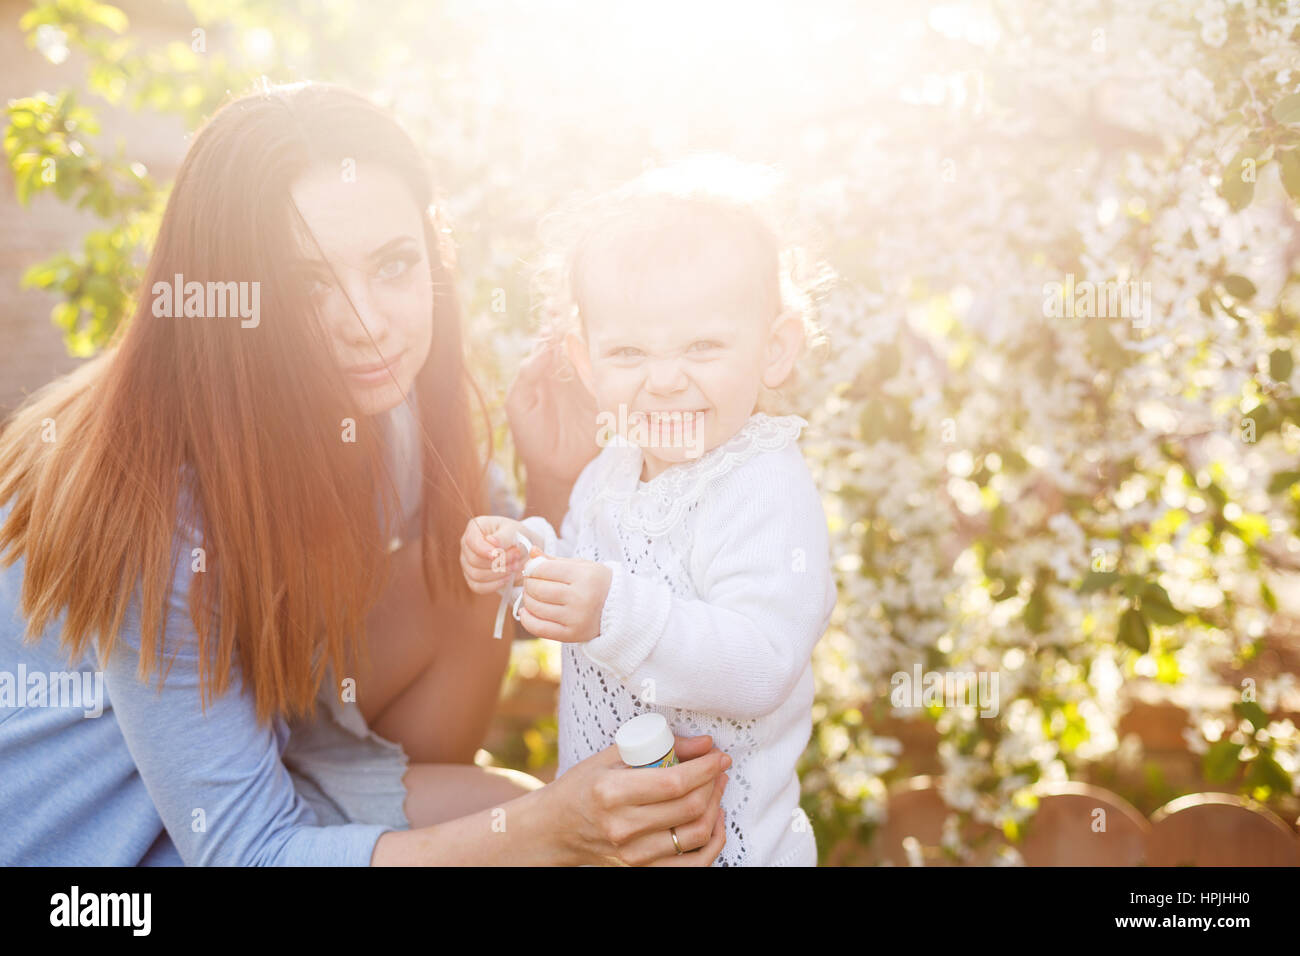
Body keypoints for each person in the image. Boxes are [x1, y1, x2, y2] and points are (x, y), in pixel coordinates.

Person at [0, 82, 729, 866]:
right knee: (536, 838)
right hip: (107, 852)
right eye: (307, 284)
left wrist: (554, 481)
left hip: (265, 759)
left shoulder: (388, 404)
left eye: (393, 265)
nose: (368, 323)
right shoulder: (152, 497)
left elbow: (503, 600)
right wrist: (548, 830)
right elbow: (244, 852)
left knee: (466, 597)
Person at [460, 158, 836, 865]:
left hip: (729, 849)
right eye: (629, 352)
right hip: (613, 840)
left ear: (775, 349)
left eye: (702, 346)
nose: (664, 381)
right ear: (587, 361)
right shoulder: (612, 471)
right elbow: (583, 581)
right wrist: (526, 559)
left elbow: (762, 664)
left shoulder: (763, 487)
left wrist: (613, 611)